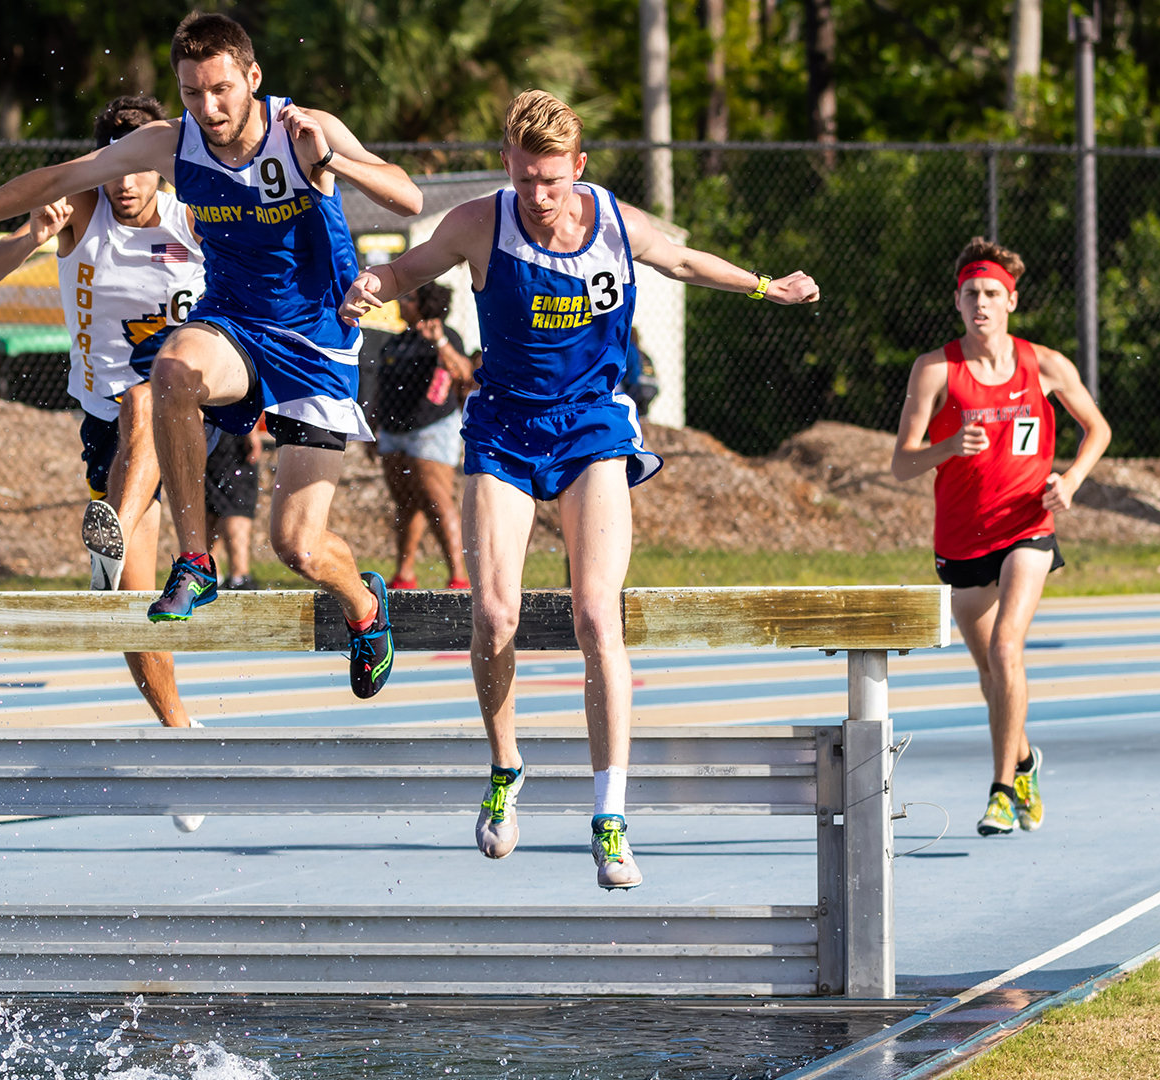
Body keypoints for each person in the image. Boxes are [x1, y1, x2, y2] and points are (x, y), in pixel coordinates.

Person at [340, 90, 820, 890]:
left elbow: (684, 261)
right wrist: (371, 284)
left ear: (579, 169)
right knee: (494, 613)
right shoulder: (479, 223)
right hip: (503, 429)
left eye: (553, 181)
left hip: (592, 426)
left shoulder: (612, 222)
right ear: (508, 167)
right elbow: (407, 269)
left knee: (598, 612)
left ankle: (610, 816)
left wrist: (767, 286)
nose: (539, 197)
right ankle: (505, 770)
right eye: (527, 179)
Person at [0, 11, 423, 700]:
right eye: (193, 93)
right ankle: (195, 559)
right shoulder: (173, 144)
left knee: (300, 547)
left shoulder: (301, 129)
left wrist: (330, 161)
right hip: (233, 324)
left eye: (223, 90)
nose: (211, 107)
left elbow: (405, 195)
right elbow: (58, 176)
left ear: (252, 78)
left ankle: (366, 604)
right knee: (169, 370)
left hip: (317, 343)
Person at [0, 96, 208, 783]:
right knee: (139, 614)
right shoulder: (82, 210)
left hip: (187, 415)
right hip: (107, 432)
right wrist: (29, 235)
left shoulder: (193, 216)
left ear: (162, 166)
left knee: (150, 390)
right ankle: (178, 732)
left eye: (141, 167)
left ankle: (113, 525)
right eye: (116, 166)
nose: (127, 182)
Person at [890, 238, 1109, 838]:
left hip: (1027, 527)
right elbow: (901, 464)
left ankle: (1001, 791)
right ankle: (1025, 759)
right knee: (993, 675)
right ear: (957, 303)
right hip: (961, 538)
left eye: (991, 294)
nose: (980, 303)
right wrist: (946, 447)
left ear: (1011, 300)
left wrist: (1073, 479)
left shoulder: (1048, 365)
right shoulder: (936, 369)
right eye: (970, 294)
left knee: (1008, 650)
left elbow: (1098, 429)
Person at [370, 280, 473, 591]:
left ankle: (459, 576)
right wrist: (373, 428)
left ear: (425, 304)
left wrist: (440, 342)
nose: (401, 303)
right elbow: (381, 390)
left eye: (409, 298)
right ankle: (404, 573)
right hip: (393, 431)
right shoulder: (395, 342)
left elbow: (464, 372)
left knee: (438, 501)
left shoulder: (446, 335)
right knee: (406, 504)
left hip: (430, 429)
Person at [205, 428, 262, 589]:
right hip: (231, 425)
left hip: (199, 426)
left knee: (208, 502)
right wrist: (252, 432)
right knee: (236, 501)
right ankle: (239, 577)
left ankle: (210, 577)